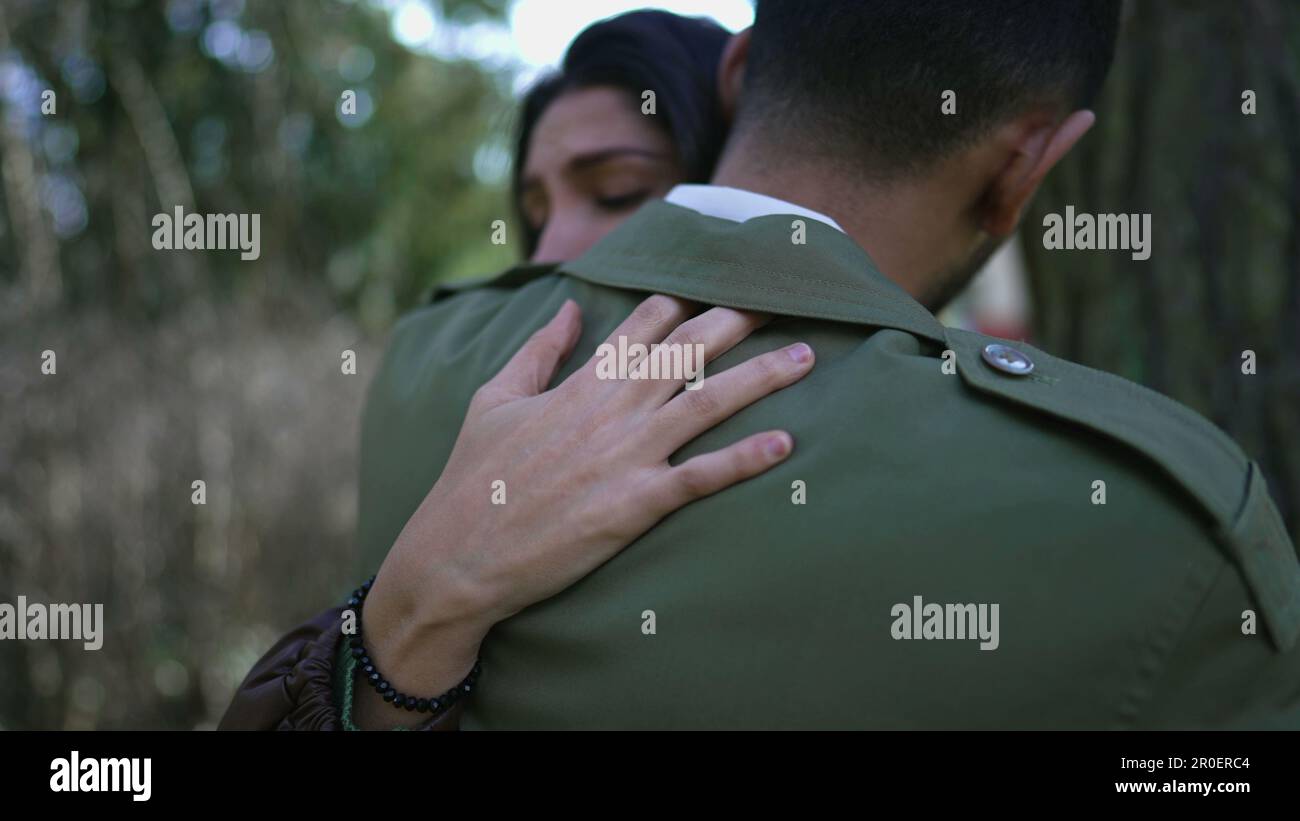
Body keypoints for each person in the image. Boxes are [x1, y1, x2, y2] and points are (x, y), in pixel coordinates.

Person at [246, 1, 1300, 730]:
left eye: (616, 190)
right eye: (533, 206)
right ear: (1028, 162)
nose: (561, 255)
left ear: (739, 77)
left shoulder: (428, 363)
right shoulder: (1159, 518)